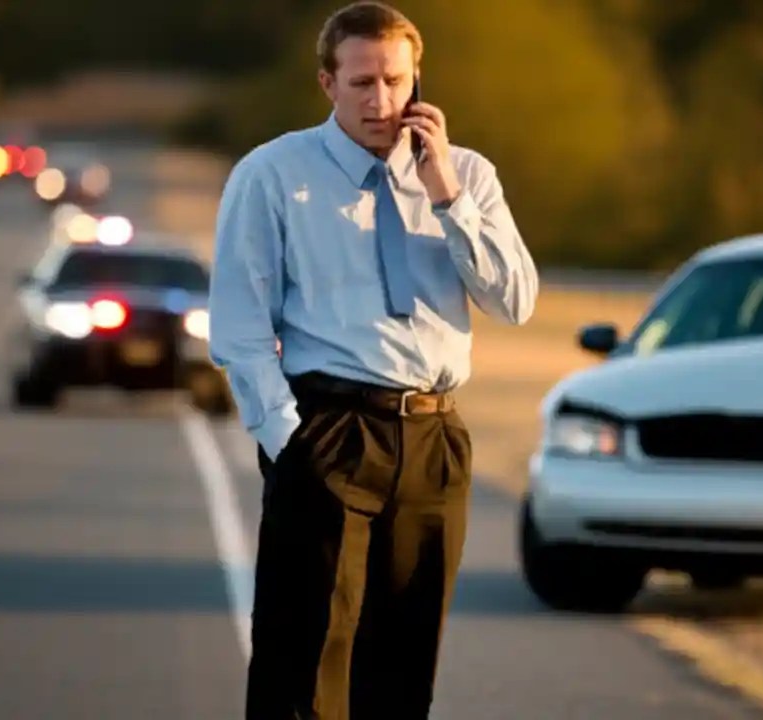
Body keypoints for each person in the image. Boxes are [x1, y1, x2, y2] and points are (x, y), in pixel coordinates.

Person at [207, 1, 538, 717]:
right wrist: (287, 440)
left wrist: (447, 194)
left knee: (405, 664)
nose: (380, 101)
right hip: (328, 430)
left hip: (433, 439)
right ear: (327, 83)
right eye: (361, 83)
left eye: (395, 80)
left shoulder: (468, 176)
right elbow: (238, 324)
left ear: (418, 79)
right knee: (304, 662)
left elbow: (514, 301)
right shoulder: (271, 174)